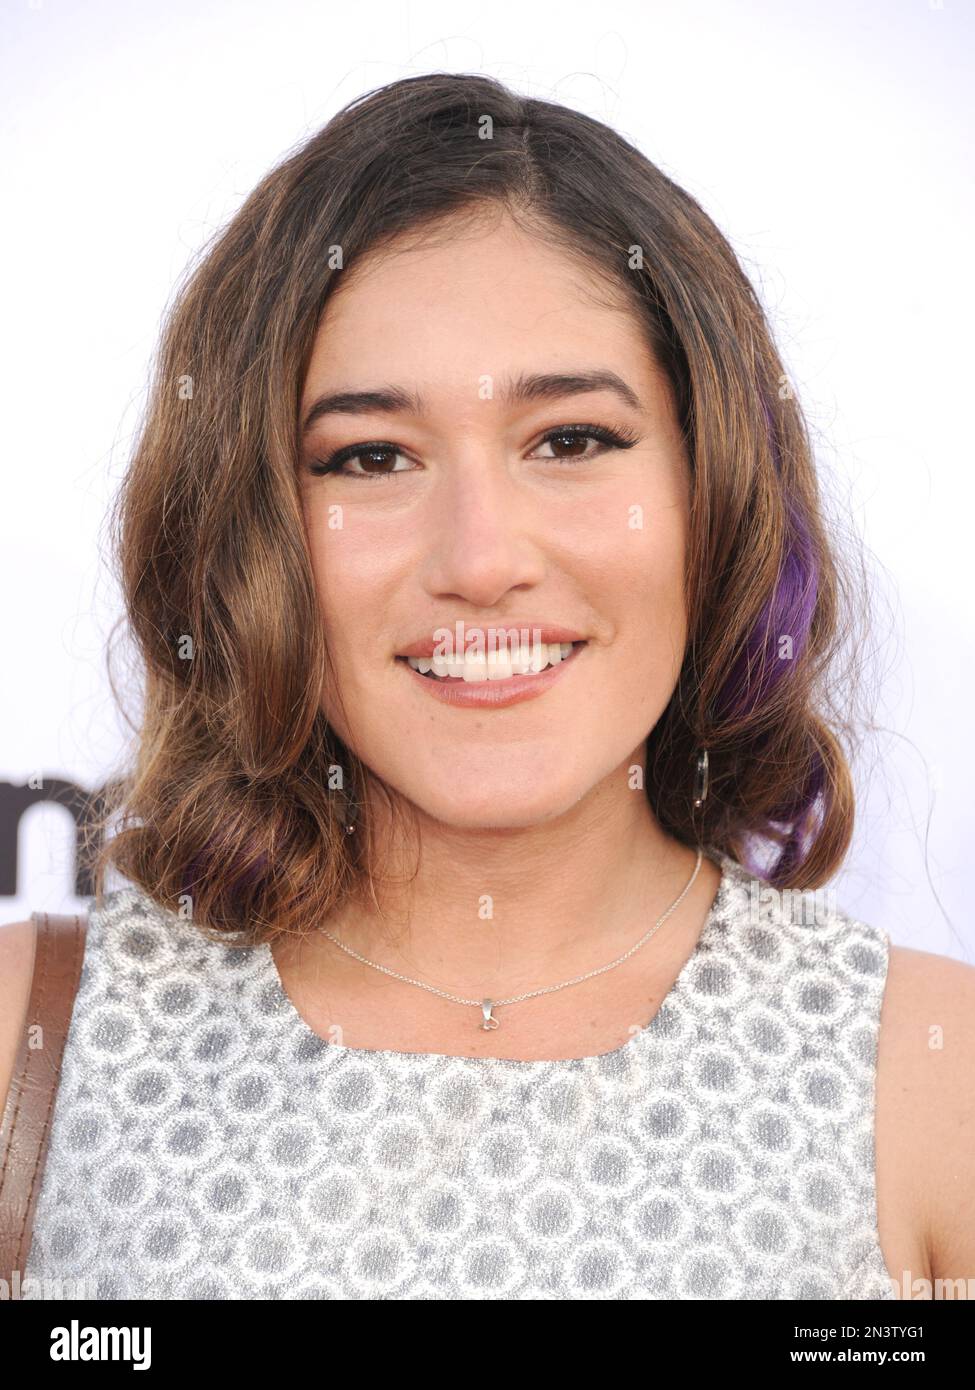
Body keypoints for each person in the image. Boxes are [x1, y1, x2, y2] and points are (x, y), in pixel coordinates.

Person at [2, 72, 972, 1301]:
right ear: (253, 532)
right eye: (370, 456)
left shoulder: (935, 1088)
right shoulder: (31, 1044)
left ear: (712, 488)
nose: (480, 559)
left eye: (571, 440)